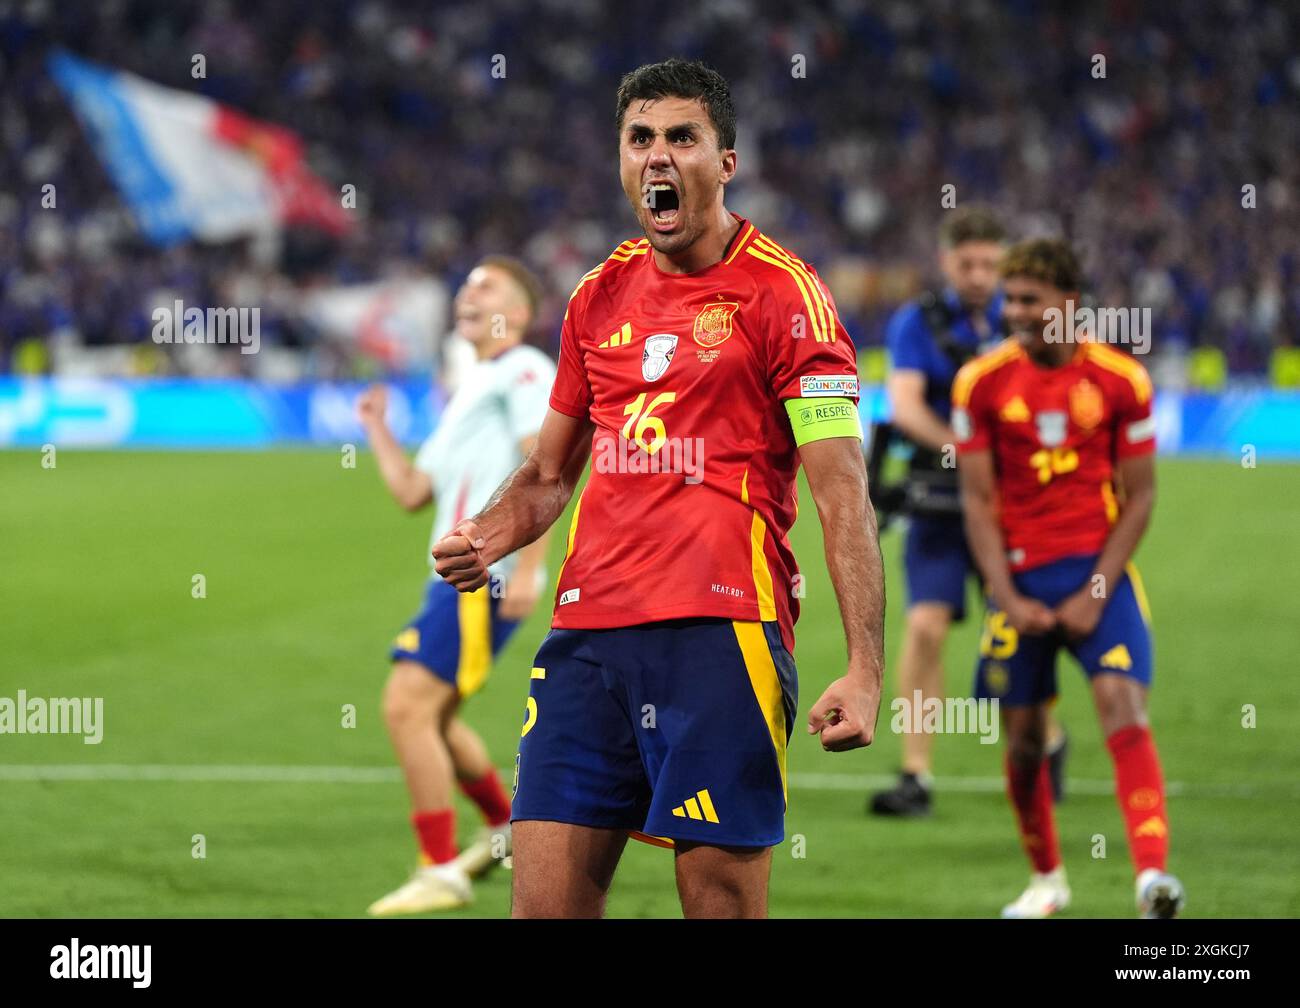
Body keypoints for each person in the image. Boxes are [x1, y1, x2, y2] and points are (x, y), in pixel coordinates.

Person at [432, 59, 885, 919]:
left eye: (683, 138)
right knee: (543, 910)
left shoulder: (788, 296)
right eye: (640, 139)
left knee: (716, 902)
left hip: (720, 636)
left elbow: (842, 494)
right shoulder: (598, 295)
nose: (659, 157)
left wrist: (865, 667)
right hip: (588, 637)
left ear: (726, 161)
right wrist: (488, 534)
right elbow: (546, 475)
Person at [953, 237, 1184, 918]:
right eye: (1010, 299)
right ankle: (1048, 880)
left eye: (1029, 299)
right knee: (1024, 740)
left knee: (1122, 706)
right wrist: (1005, 595)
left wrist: (1095, 592)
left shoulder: (1119, 380)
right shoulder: (982, 383)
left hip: (1096, 578)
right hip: (1018, 583)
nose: (1014, 311)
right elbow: (977, 501)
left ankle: (1150, 879)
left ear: (1068, 305)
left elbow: (1139, 497)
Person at [357, 256, 555, 914]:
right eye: (466, 287)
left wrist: (531, 567)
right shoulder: (470, 389)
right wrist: (378, 430)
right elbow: (414, 491)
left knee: (405, 705)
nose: (469, 295)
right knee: (435, 718)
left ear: (520, 313)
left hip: (484, 575)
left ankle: (439, 868)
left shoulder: (525, 369)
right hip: (452, 578)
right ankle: (504, 830)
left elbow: (544, 467)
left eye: (488, 287)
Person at [869, 208, 1067, 817]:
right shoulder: (917, 322)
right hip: (939, 501)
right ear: (946, 262)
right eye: (967, 263)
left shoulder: (1029, 320)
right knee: (925, 629)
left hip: (1011, 508)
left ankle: (1046, 741)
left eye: (989, 263)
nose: (979, 275)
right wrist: (964, 451)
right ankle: (916, 775)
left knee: (1023, 626)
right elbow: (902, 407)